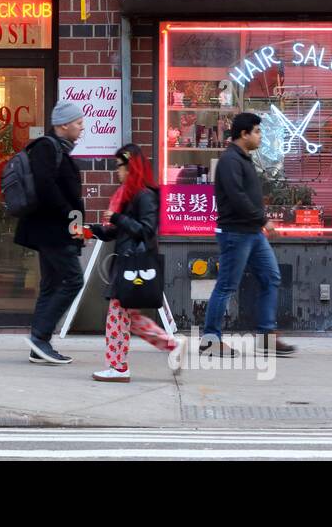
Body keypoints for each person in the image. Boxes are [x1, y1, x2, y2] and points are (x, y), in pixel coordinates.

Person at [200, 112, 297, 357]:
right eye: (257, 131)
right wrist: (263, 220)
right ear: (244, 134)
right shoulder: (230, 161)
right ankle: (210, 340)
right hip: (236, 233)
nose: (260, 136)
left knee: (271, 277)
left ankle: (266, 336)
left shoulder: (243, 159)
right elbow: (237, 198)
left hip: (252, 234)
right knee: (226, 286)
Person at [87, 144, 182, 382]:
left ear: (131, 168)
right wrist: (90, 231)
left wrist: (119, 218)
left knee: (117, 316)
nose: (117, 171)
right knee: (130, 317)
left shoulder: (145, 195)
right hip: (127, 263)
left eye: (120, 166)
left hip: (133, 264)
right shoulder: (129, 195)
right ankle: (171, 345)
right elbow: (115, 232)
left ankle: (118, 367)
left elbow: (147, 230)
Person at [16, 100, 86, 365]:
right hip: (52, 231)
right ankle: (40, 338)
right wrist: (70, 215)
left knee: (52, 284)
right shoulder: (46, 147)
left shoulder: (58, 149)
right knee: (72, 280)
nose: (82, 128)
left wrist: (75, 222)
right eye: (78, 123)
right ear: (63, 124)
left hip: (58, 229)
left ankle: (39, 345)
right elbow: (46, 187)